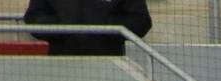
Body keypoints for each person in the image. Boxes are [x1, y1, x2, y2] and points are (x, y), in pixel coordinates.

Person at [23, 0, 151, 56]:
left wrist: (104, 26)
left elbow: (141, 21)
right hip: (61, 64)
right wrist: (64, 26)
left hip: (110, 65)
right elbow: (34, 17)